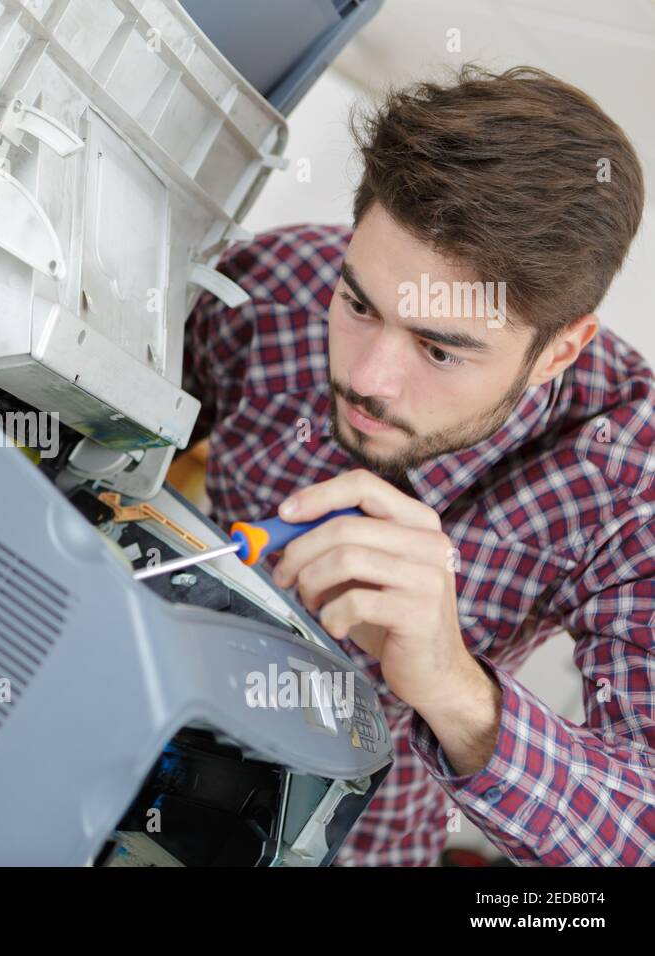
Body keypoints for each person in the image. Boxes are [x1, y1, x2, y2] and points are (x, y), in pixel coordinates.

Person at [182, 65, 651, 865]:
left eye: (439, 348)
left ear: (559, 350)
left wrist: (454, 688)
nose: (367, 379)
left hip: (355, 840)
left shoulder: (629, 478)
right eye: (359, 304)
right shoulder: (276, 283)